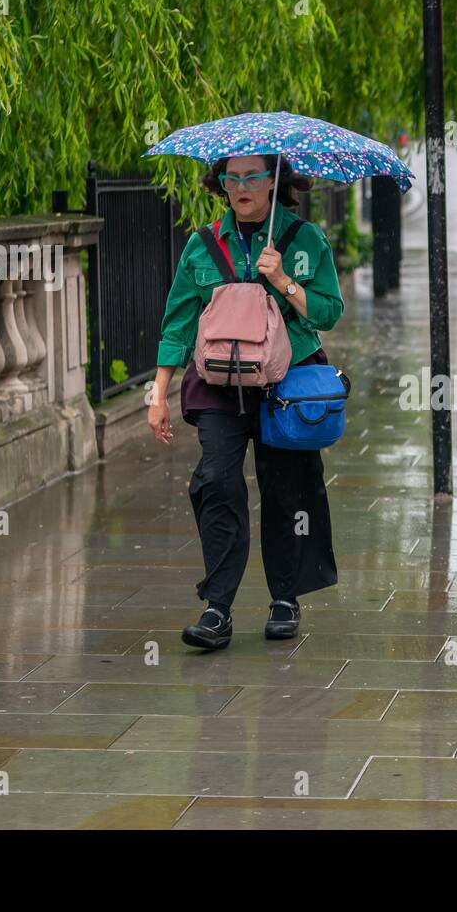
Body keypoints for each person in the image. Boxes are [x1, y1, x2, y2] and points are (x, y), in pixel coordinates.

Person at [148, 154, 344, 649]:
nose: (241, 186)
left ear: (273, 182)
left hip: (287, 380)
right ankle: (218, 608)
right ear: (221, 185)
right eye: (231, 178)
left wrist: (283, 281)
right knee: (215, 481)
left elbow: (329, 311)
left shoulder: (304, 241)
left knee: (286, 488)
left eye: (252, 176)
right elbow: (177, 322)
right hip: (217, 382)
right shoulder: (203, 244)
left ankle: (285, 597)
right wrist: (158, 392)